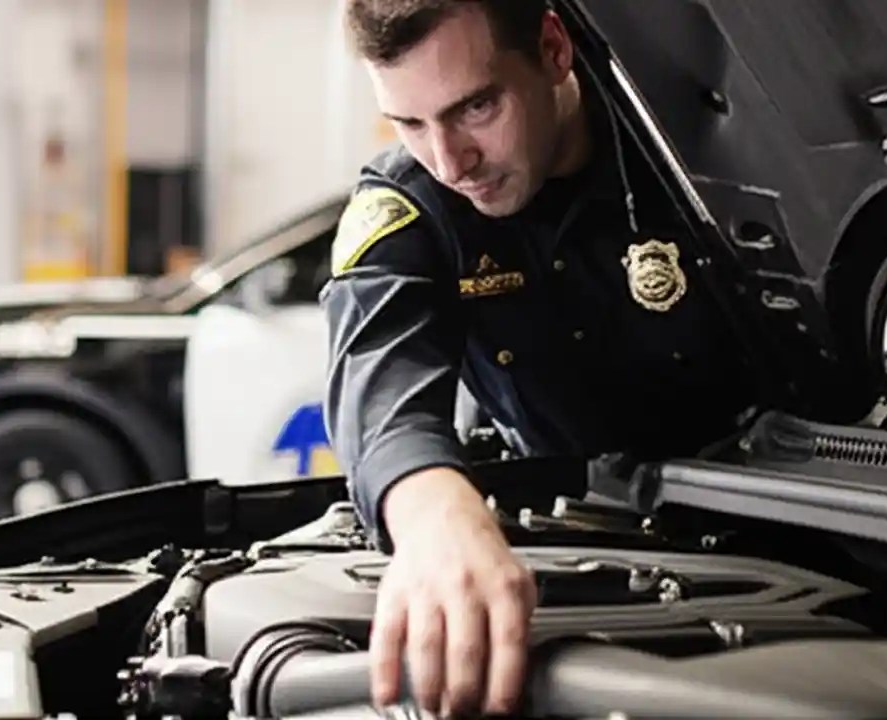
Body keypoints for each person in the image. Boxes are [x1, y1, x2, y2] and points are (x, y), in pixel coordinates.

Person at [320, 0, 758, 716]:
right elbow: (379, 378)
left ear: (554, 49)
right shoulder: (410, 204)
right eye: (409, 123)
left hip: (785, 540)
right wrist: (436, 520)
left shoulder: (702, 150)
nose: (449, 160)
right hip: (581, 558)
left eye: (477, 107)